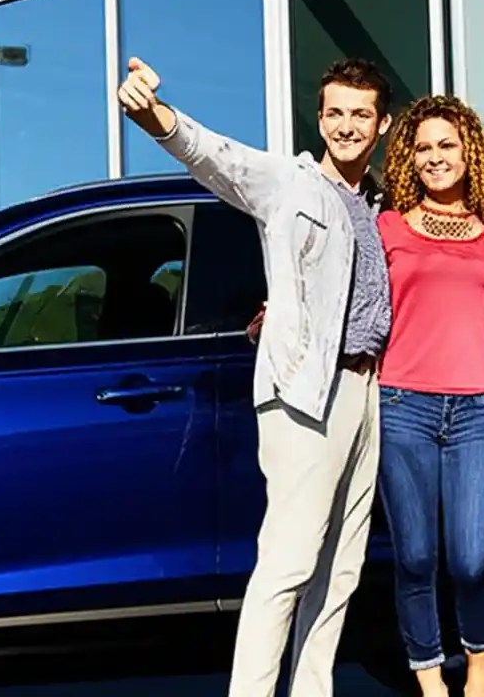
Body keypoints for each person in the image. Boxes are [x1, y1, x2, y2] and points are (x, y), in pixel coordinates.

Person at [117, 55, 392, 697]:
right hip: (306, 392)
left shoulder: (378, 202)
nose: (346, 126)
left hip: (368, 388)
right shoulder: (289, 183)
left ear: (381, 124)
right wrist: (155, 116)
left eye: (360, 114)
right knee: (289, 563)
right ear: (319, 118)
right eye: (335, 113)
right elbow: (216, 157)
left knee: (341, 567)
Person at [373, 95, 484, 697]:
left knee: (471, 558)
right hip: (405, 405)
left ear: (468, 152)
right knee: (416, 557)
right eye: (423, 147)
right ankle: (430, 682)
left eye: (446, 145)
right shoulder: (389, 226)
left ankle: (478, 675)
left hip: (480, 407)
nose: (434, 157)